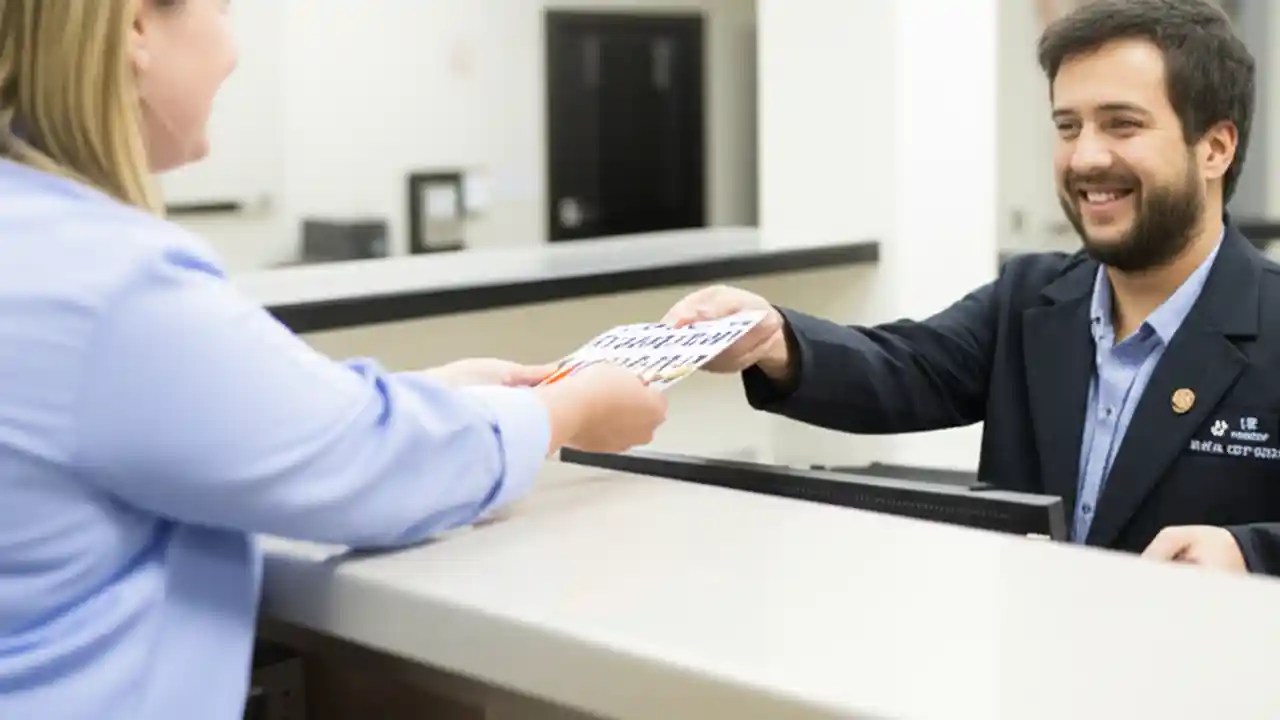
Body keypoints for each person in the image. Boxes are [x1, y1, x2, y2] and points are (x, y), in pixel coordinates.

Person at [0, 1, 668, 718]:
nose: (232, 53)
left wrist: (433, 394)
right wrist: (571, 406)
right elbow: (373, 468)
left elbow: (233, 427)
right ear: (135, 27)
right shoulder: (112, 282)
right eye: (223, 10)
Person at [665, 0, 1280, 575]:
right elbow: (904, 367)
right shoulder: (1029, 299)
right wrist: (777, 338)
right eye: (1068, 127)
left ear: (1215, 149)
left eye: (1122, 125)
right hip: (1028, 669)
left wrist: (1250, 552)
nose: (1085, 158)